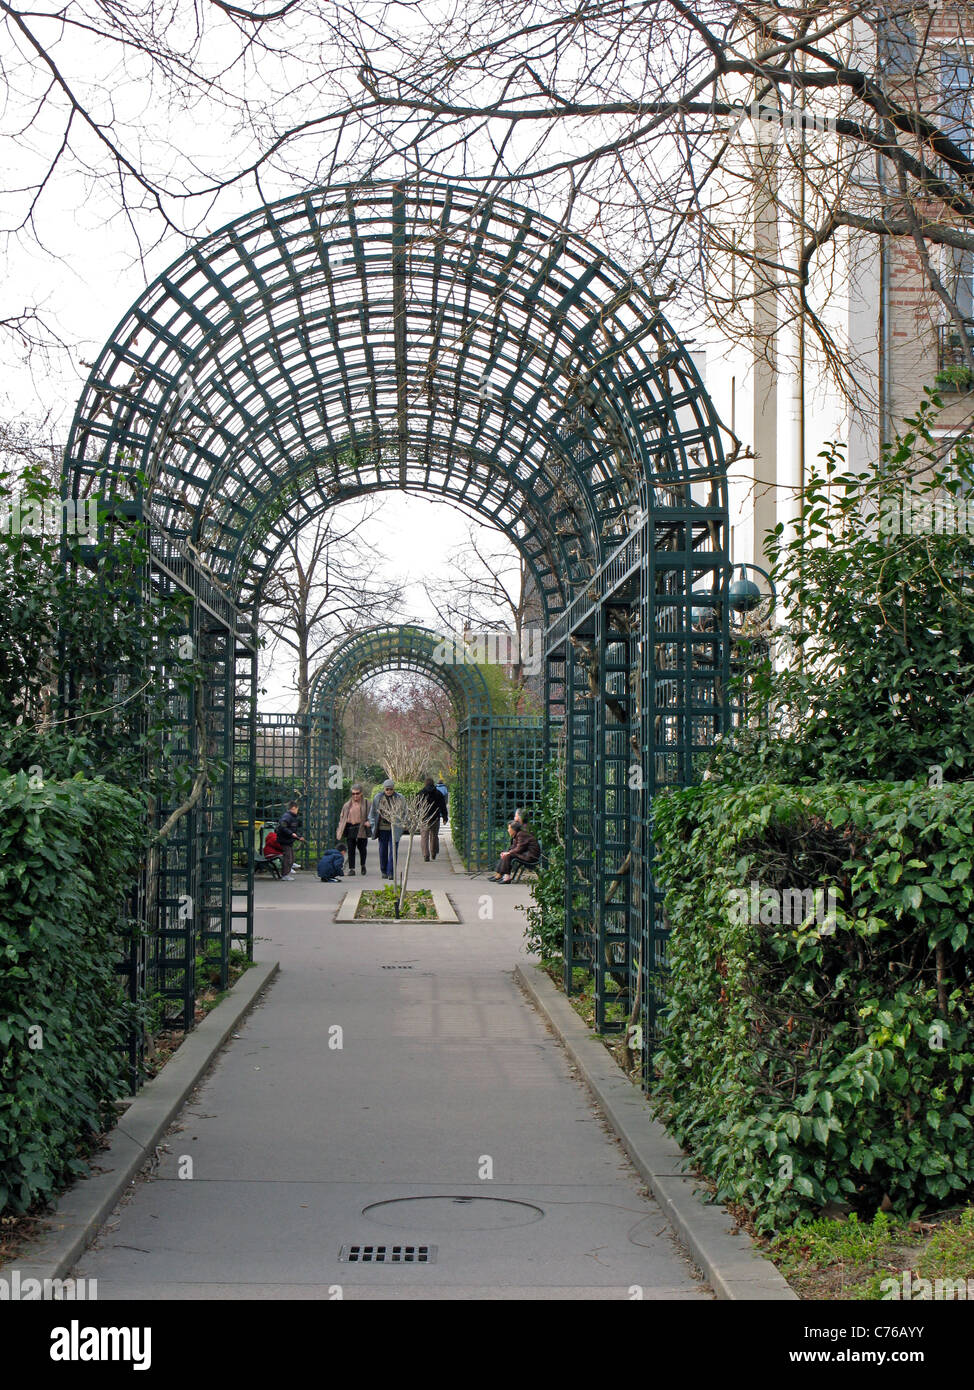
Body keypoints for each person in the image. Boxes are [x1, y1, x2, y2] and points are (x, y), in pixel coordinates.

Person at [369, 778, 407, 880]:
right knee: (383, 850)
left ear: (393, 789)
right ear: (384, 789)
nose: (389, 791)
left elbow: (405, 812)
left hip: (395, 828)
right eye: (387, 789)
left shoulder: (400, 798)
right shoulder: (378, 797)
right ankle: (384, 870)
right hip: (382, 828)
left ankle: (391, 872)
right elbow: (372, 813)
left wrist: (403, 824)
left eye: (390, 789)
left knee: (393, 850)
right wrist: (373, 826)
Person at [337, 784, 370, 875]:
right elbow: (342, 817)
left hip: (361, 828)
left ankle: (363, 865)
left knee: (362, 848)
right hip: (350, 827)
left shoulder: (367, 803)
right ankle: (352, 869)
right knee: (351, 849)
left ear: (361, 794)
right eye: (353, 793)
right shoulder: (347, 805)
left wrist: (369, 822)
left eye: (357, 793)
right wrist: (340, 829)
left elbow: (372, 815)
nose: (355, 795)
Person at [416, 776, 448, 861]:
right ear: (433, 783)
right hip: (435, 818)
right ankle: (433, 852)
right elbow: (443, 806)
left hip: (424, 818)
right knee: (434, 836)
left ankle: (426, 854)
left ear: (425, 783)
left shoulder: (420, 793)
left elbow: (417, 806)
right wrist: (445, 817)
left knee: (424, 837)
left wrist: (417, 816)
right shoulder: (438, 793)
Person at [276, 801, 305, 881]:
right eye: (297, 809)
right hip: (284, 840)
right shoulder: (287, 817)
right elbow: (283, 827)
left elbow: (293, 829)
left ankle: (286, 874)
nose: (297, 811)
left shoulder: (292, 817)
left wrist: (299, 837)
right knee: (288, 858)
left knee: (291, 858)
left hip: (288, 841)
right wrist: (291, 834)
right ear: (293, 808)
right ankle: (285, 875)